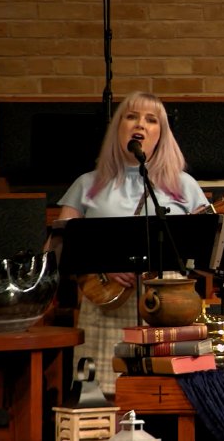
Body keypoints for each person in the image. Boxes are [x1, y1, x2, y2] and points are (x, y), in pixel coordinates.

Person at [54, 91, 209, 395]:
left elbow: (204, 254)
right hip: (106, 307)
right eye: (132, 116)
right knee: (101, 400)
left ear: (161, 134)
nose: (140, 124)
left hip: (168, 309)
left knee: (169, 397)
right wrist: (102, 263)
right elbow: (59, 250)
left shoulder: (184, 186)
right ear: (118, 127)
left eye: (151, 120)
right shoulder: (87, 184)